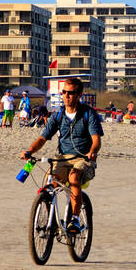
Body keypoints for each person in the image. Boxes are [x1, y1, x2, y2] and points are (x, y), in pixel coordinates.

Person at [22, 77, 102, 234]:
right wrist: (29, 151)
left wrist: (92, 151)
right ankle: (50, 218)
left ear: (79, 94)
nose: (66, 96)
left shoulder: (88, 114)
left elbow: (96, 139)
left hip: (83, 159)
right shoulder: (58, 115)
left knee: (74, 177)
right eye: (64, 92)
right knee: (49, 183)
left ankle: (75, 219)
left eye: (70, 93)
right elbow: (42, 138)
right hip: (63, 158)